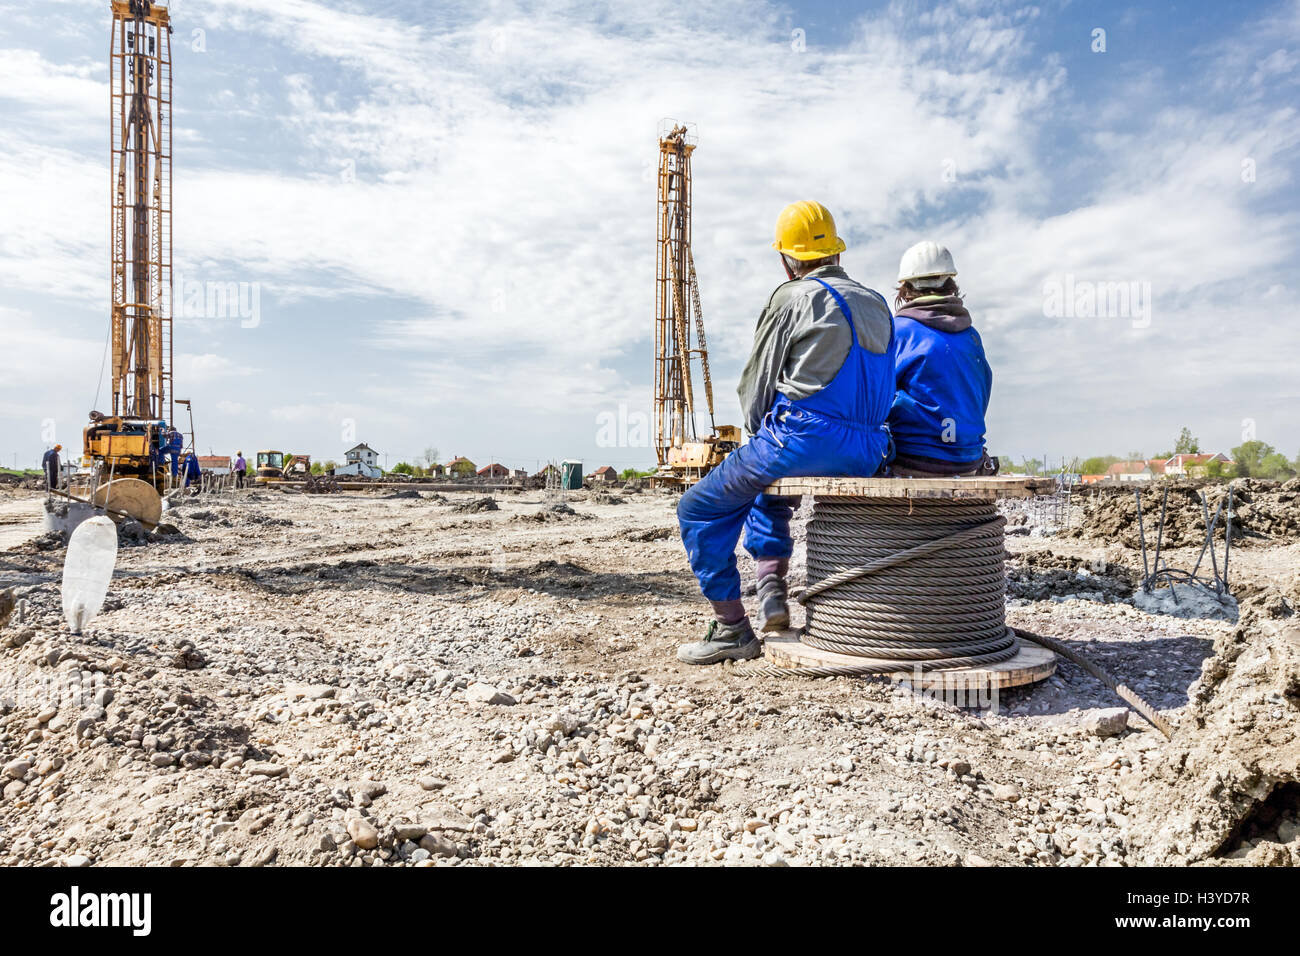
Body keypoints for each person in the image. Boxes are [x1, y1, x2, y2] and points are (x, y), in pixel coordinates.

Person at [675, 201, 895, 665]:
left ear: (786, 259)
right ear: (836, 252)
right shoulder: (877, 303)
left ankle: (734, 628)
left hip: (803, 438)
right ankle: (771, 589)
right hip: (871, 448)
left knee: (697, 508)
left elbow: (754, 385)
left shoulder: (791, 297)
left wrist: (761, 435)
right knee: (764, 484)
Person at [889, 242, 996, 477]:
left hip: (914, 459)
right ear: (951, 285)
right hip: (968, 459)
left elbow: (876, 399)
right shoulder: (971, 336)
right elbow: (981, 395)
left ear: (905, 289)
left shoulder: (898, 332)